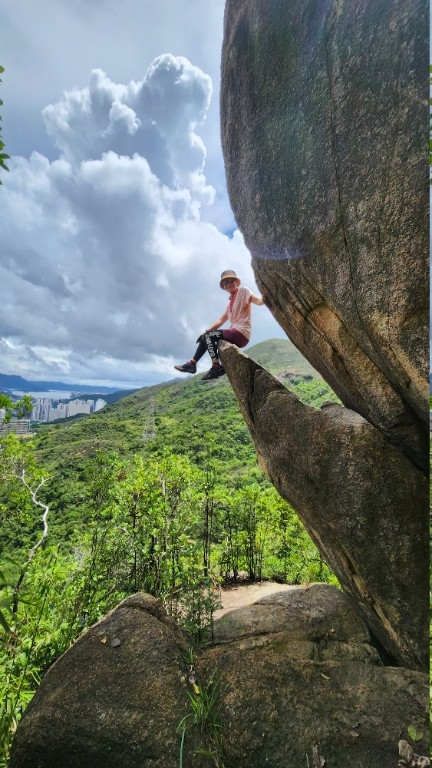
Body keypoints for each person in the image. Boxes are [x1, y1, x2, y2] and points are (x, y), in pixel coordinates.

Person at [174, 269, 265, 381]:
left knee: (209, 336)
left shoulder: (243, 291)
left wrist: (267, 295)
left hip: (240, 332)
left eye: (230, 281)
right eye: (225, 283)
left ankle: (216, 366)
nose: (228, 284)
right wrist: (205, 332)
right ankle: (192, 364)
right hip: (235, 333)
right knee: (206, 336)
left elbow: (258, 301)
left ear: (237, 281)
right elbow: (220, 321)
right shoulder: (229, 305)